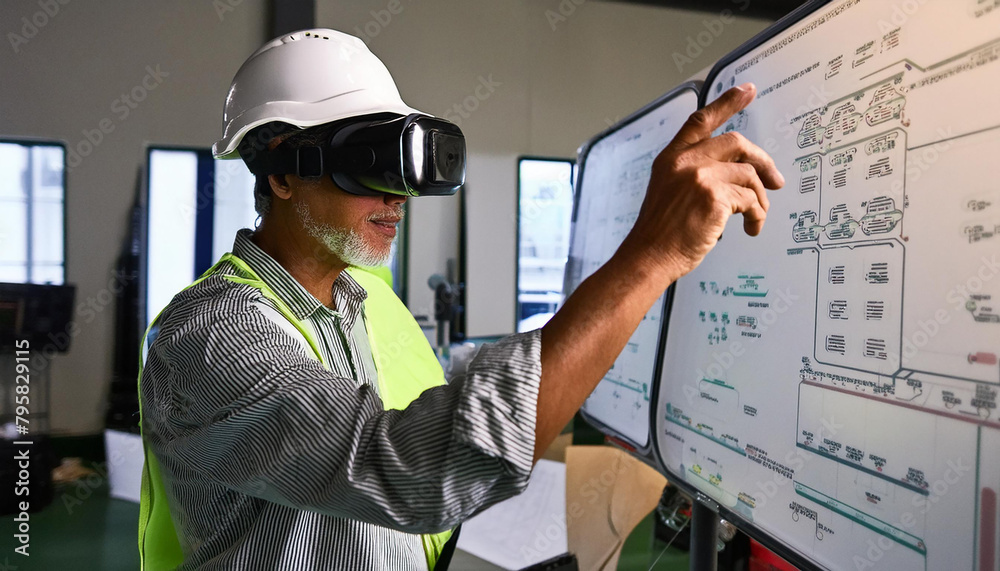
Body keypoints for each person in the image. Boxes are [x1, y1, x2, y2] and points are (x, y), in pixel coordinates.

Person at [137, 28, 783, 570]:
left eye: (403, 168)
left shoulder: (358, 299)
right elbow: (405, 468)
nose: (398, 198)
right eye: (369, 163)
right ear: (280, 172)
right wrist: (652, 254)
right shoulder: (210, 336)